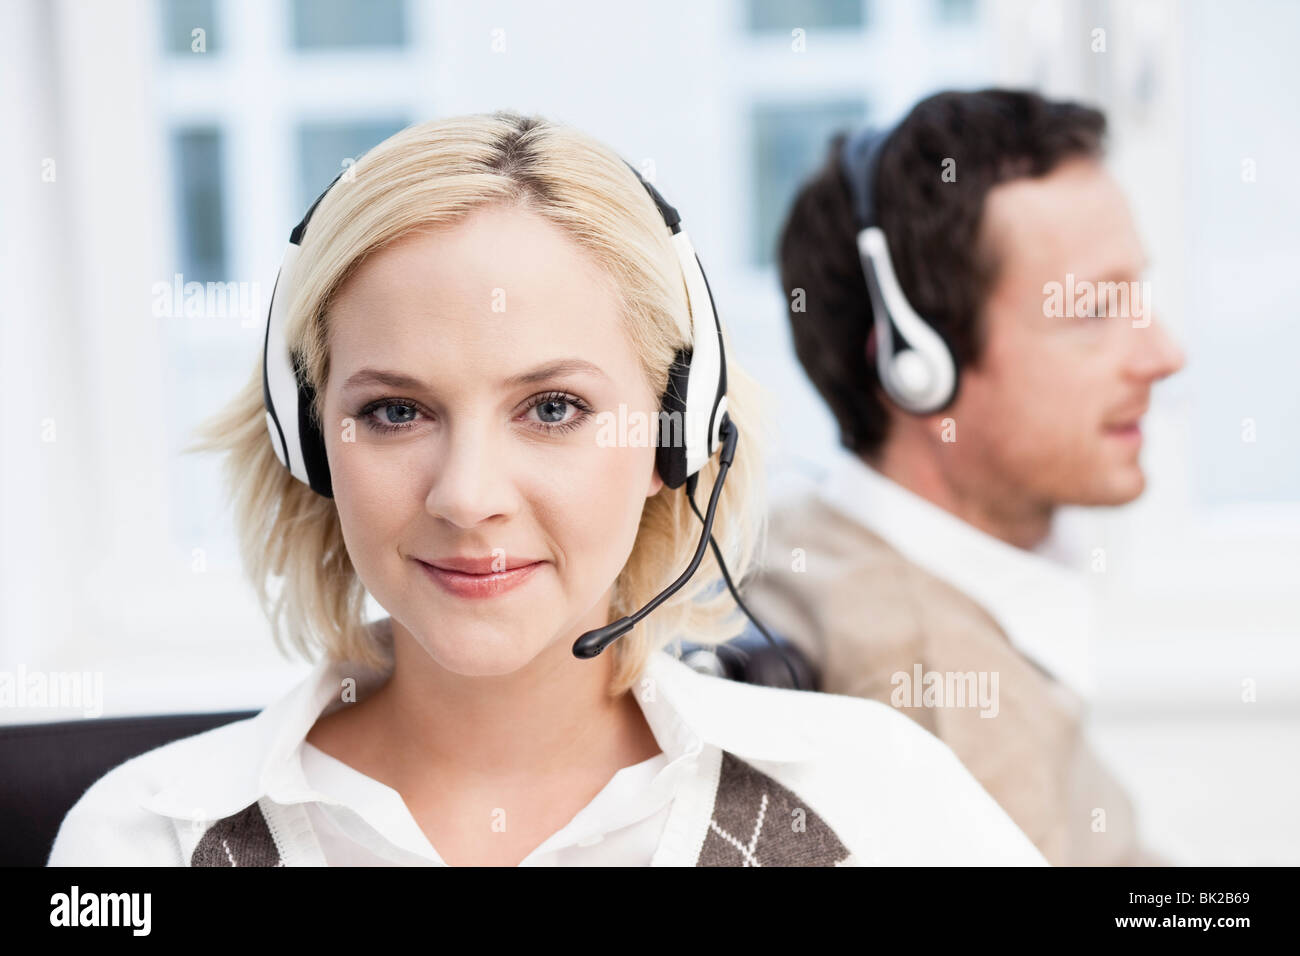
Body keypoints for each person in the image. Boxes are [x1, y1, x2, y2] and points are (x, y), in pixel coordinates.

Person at [47, 110, 1046, 867]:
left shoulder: (870, 800)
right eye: (397, 410)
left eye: (553, 407)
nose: (467, 495)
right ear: (309, 437)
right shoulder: (144, 842)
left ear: (676, 432)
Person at [744, 89, 1185, 866]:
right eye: (1091, 311)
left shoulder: (811, 541)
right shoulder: (935, 701)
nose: (1162, 354)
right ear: (916, 366)